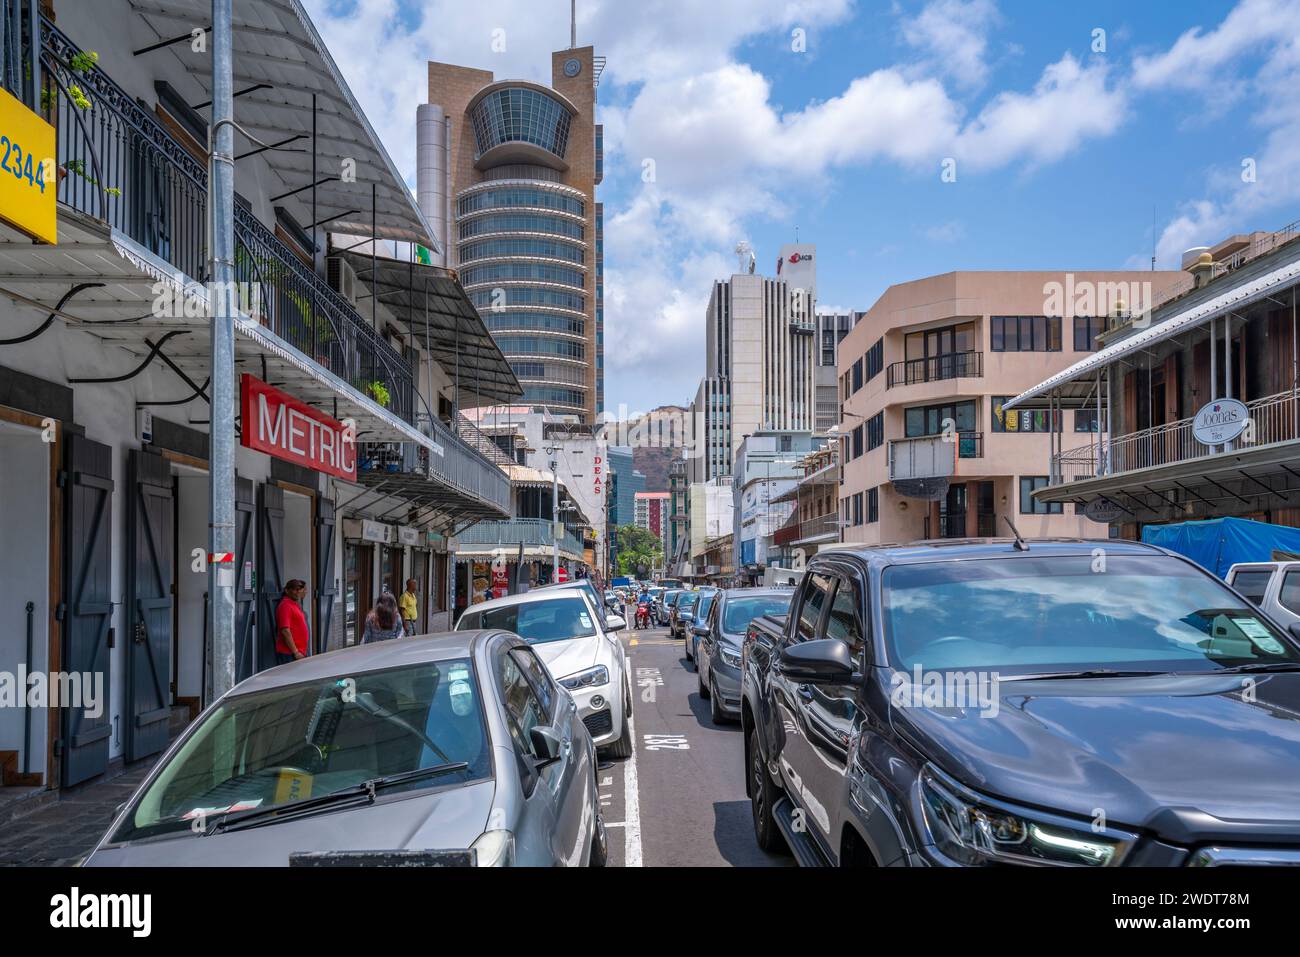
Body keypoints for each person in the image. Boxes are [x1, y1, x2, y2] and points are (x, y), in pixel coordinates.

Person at [274, 580, 310, 665]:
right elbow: (285, 630)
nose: (297, 592)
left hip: (297, 652)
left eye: (299, 590)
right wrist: (296, 652)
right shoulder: (285, 606)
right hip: (290, 653)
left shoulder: (293, 604)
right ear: (287, 590)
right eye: (295, 590)